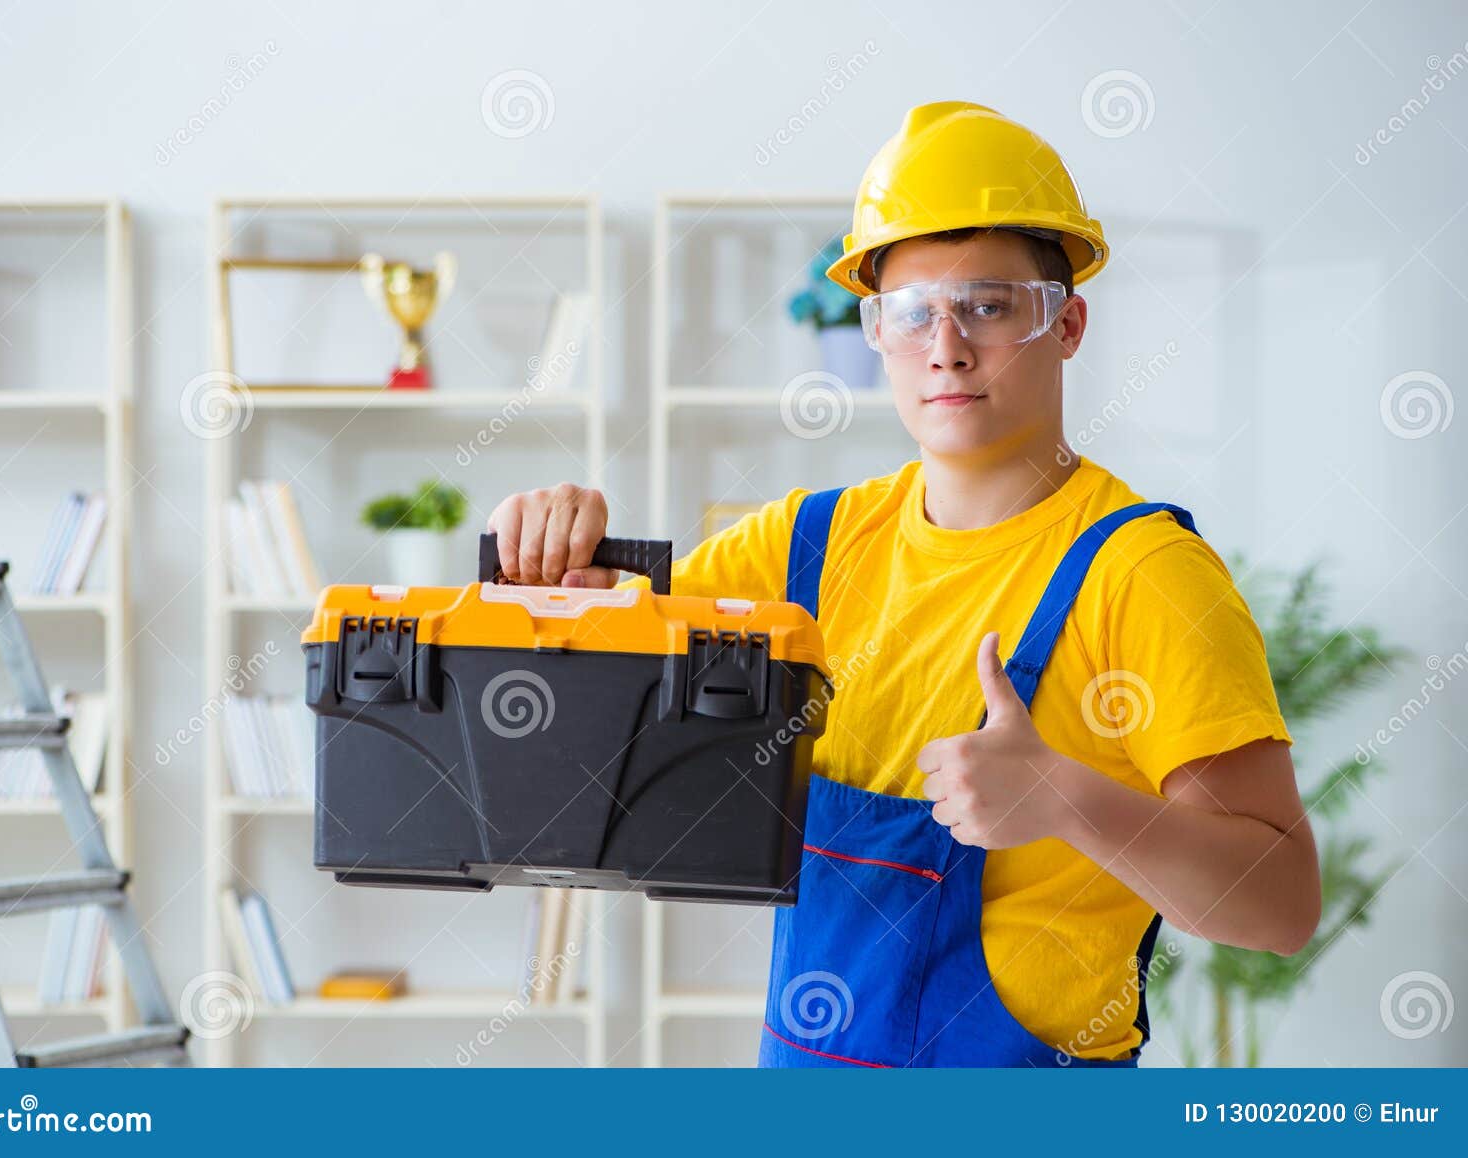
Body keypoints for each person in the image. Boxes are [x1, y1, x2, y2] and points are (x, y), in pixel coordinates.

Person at [487, 101, 1320, 1067]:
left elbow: (1282, 905)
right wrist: (543, 546)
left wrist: (1062, 797)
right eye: (912, 311)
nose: (946, 346)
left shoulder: (1145, 575)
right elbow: (578, 662)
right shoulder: (809, 547)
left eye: (989, 305)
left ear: (1069, 322)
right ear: (874, 331)